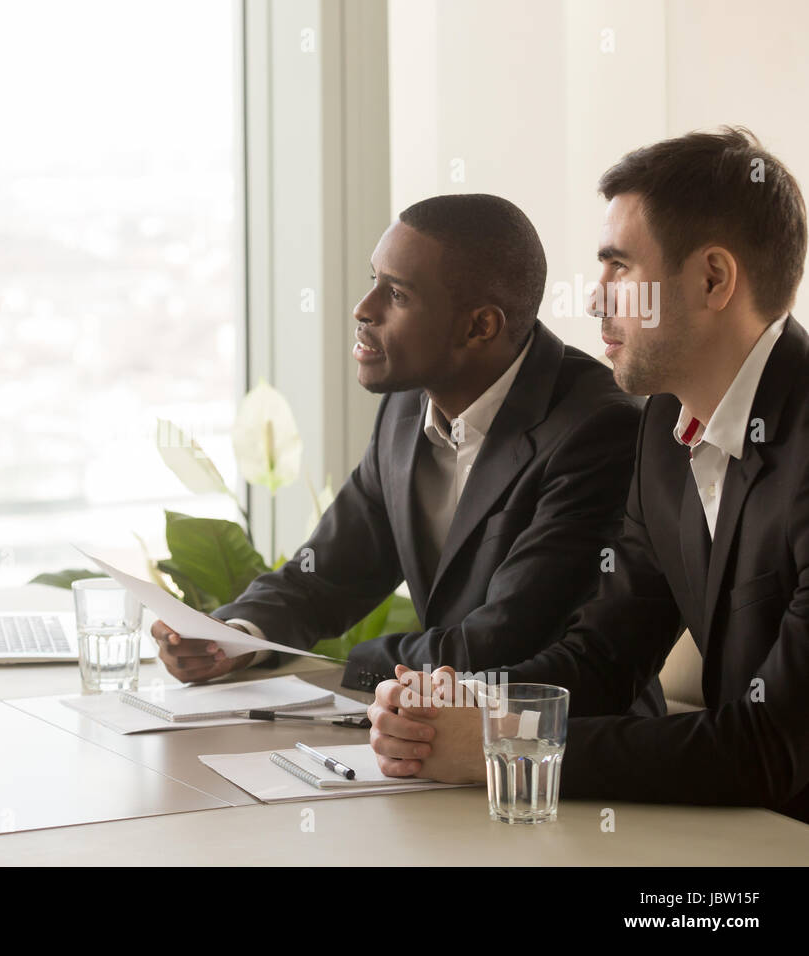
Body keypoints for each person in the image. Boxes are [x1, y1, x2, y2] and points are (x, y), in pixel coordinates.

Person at [369, 127, 809, 824]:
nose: (594, 301)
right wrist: (462, 706)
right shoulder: (663, 434)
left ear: (713, 279)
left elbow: (773, 747)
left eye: (619, 269)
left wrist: (498, 741)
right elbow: (604, 658)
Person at [152, 194, 661, 716]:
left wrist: (355, 664)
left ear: (479, 326)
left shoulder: (598, 429)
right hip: (431, 735)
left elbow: (500, 645)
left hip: (553, 757)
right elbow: (325, 574)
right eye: (373, 280)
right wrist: (234, 638)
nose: (363, 309)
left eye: (396, 294)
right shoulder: (406, 406)